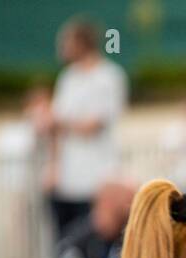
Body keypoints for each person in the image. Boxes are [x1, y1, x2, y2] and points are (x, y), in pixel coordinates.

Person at [43, 16, 128, 238]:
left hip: (97, 180)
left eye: (67, 41)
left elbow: (94, 125)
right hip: (66, 182)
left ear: (82, 43)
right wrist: (53, 168)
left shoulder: (109, 76)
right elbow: (55, 127)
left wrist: (61, 122)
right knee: (65, 241)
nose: (62, 47)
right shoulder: (67, 78)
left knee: (95, 241)